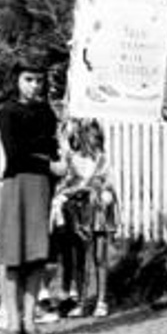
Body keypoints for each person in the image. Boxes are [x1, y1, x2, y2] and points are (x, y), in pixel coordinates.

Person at [0, 58, 62, 334]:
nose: (35, 85)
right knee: (13, 257)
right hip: (17, 184)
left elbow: (52, 146)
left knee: (36, 256)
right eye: (28, 79)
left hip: (40, 188)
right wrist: (47, 161)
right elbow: (15, 153)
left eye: (39, 80)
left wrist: (52, 159)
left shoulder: (47, 112)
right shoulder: (8, 111)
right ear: (17, 81)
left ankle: (30, 322)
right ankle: (12, 323)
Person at [51, 117, 118, 319]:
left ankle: (101, 300)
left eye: (97, 137)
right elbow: (65, 182)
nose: (94, 141)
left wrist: (105, 192)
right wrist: (65, 193)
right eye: (90, 136)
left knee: (100, 256)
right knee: (80, 256)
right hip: (79, 213)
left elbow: (109, 183)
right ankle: (81, 301)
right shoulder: (72, 159)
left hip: (98, 211)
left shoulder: (103, 159)